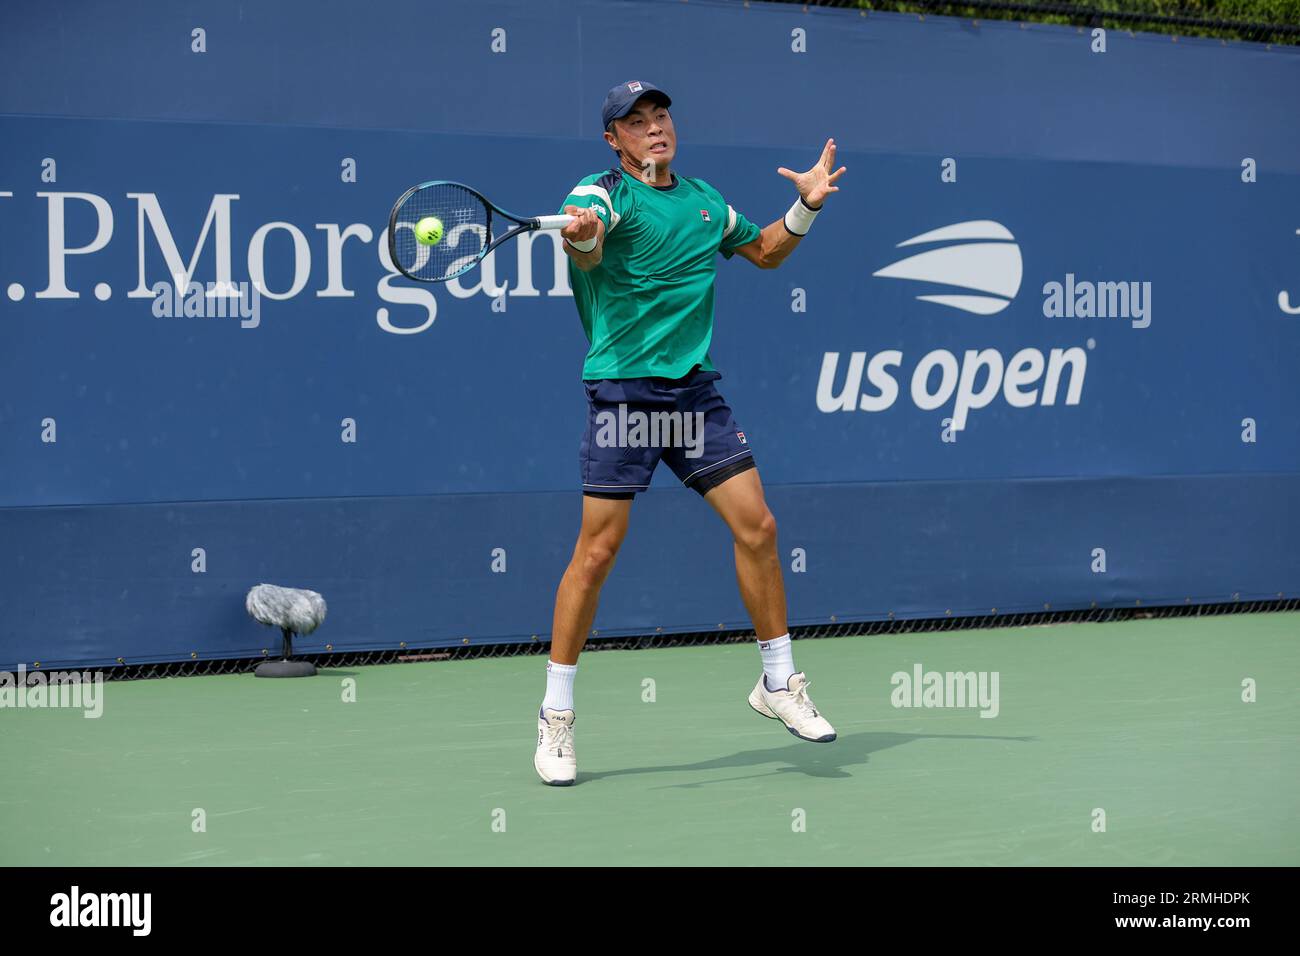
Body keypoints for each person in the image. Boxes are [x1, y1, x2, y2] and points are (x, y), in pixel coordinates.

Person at [536, 80, 846, 786]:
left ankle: (777, 683)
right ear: (613, 140)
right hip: (624, 392)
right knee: (597, 553)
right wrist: (582, 236)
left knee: (759, 528)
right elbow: (587, 239)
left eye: (660, 116)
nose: (654, 128)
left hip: (693, 395)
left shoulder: (706, 200)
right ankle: (556, 716)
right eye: (635, 122)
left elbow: (764, 252)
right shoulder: (602, 192)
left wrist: (805, 206)